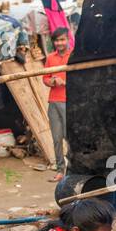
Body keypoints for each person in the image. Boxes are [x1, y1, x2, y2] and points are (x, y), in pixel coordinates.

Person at [42, 27, 71, 181]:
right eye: (57, 40)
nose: (60, 43)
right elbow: (45, 78)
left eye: (62, 39)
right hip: (53, 102)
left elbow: (79, 77)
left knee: (69, 137)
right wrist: (52, 81)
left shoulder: (72, 56)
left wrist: (65, 82)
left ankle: (73, 169)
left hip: (68, 102)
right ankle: (60, 170)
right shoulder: (50, 58)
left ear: (68, 39)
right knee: (56, 138)